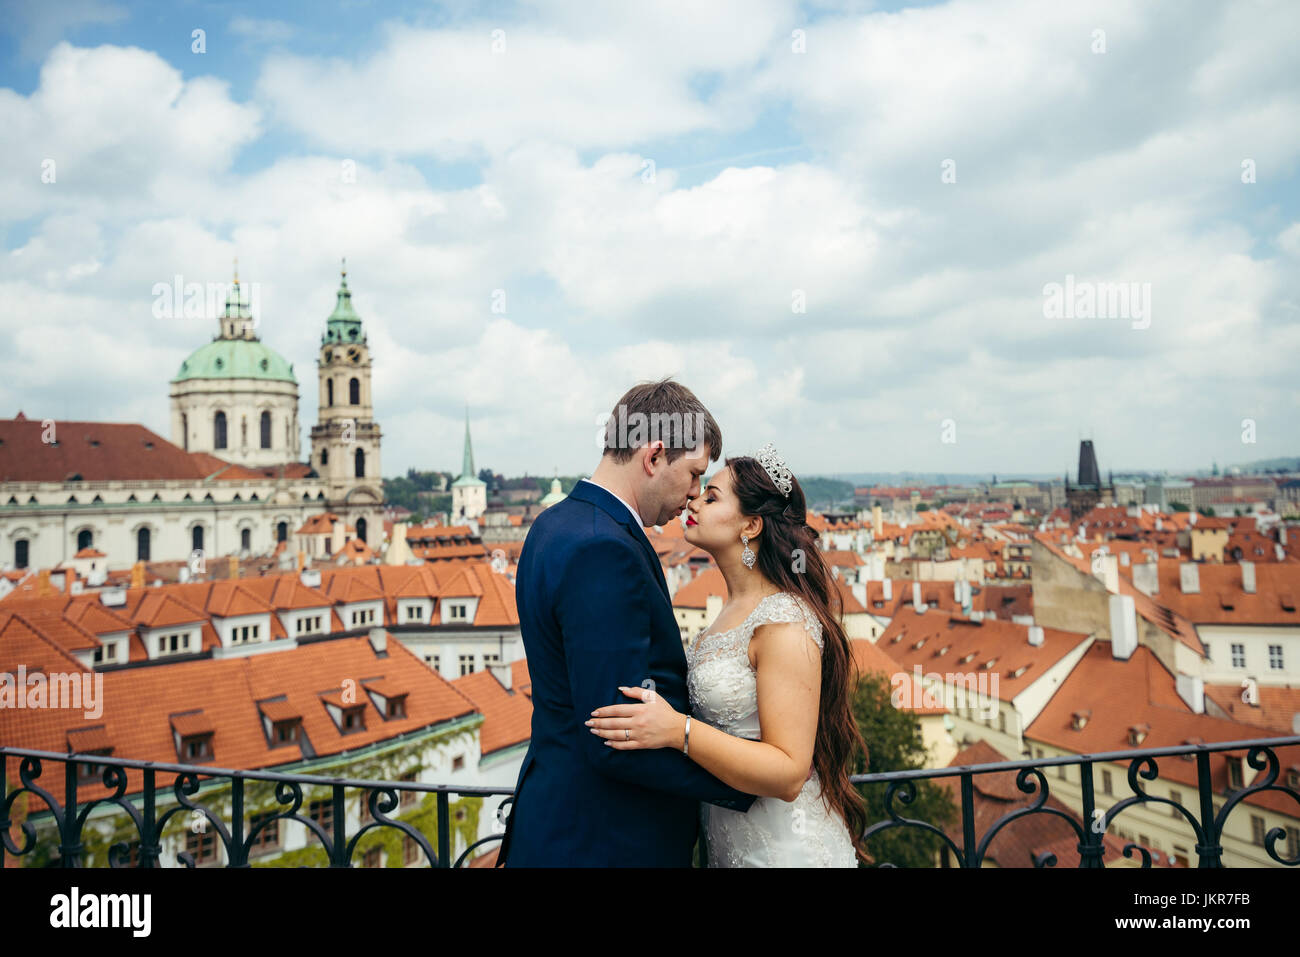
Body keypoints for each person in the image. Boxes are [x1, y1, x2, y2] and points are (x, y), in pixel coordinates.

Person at [496, 377, 758, 867]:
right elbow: (614, 737)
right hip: (605, 840)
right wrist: (752, 782)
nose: (695, 494)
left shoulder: (555, 523)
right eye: (695, 473)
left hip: (560, 823)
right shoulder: (604, 548)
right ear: (654, 457)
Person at [586, 442, 872, 866]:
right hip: (730, 846)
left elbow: (790, 772)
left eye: (712, 496)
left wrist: (676, 731)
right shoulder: (728, 614)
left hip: (784, 852)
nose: (693, 500)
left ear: (750, 526)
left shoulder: (783, 620)